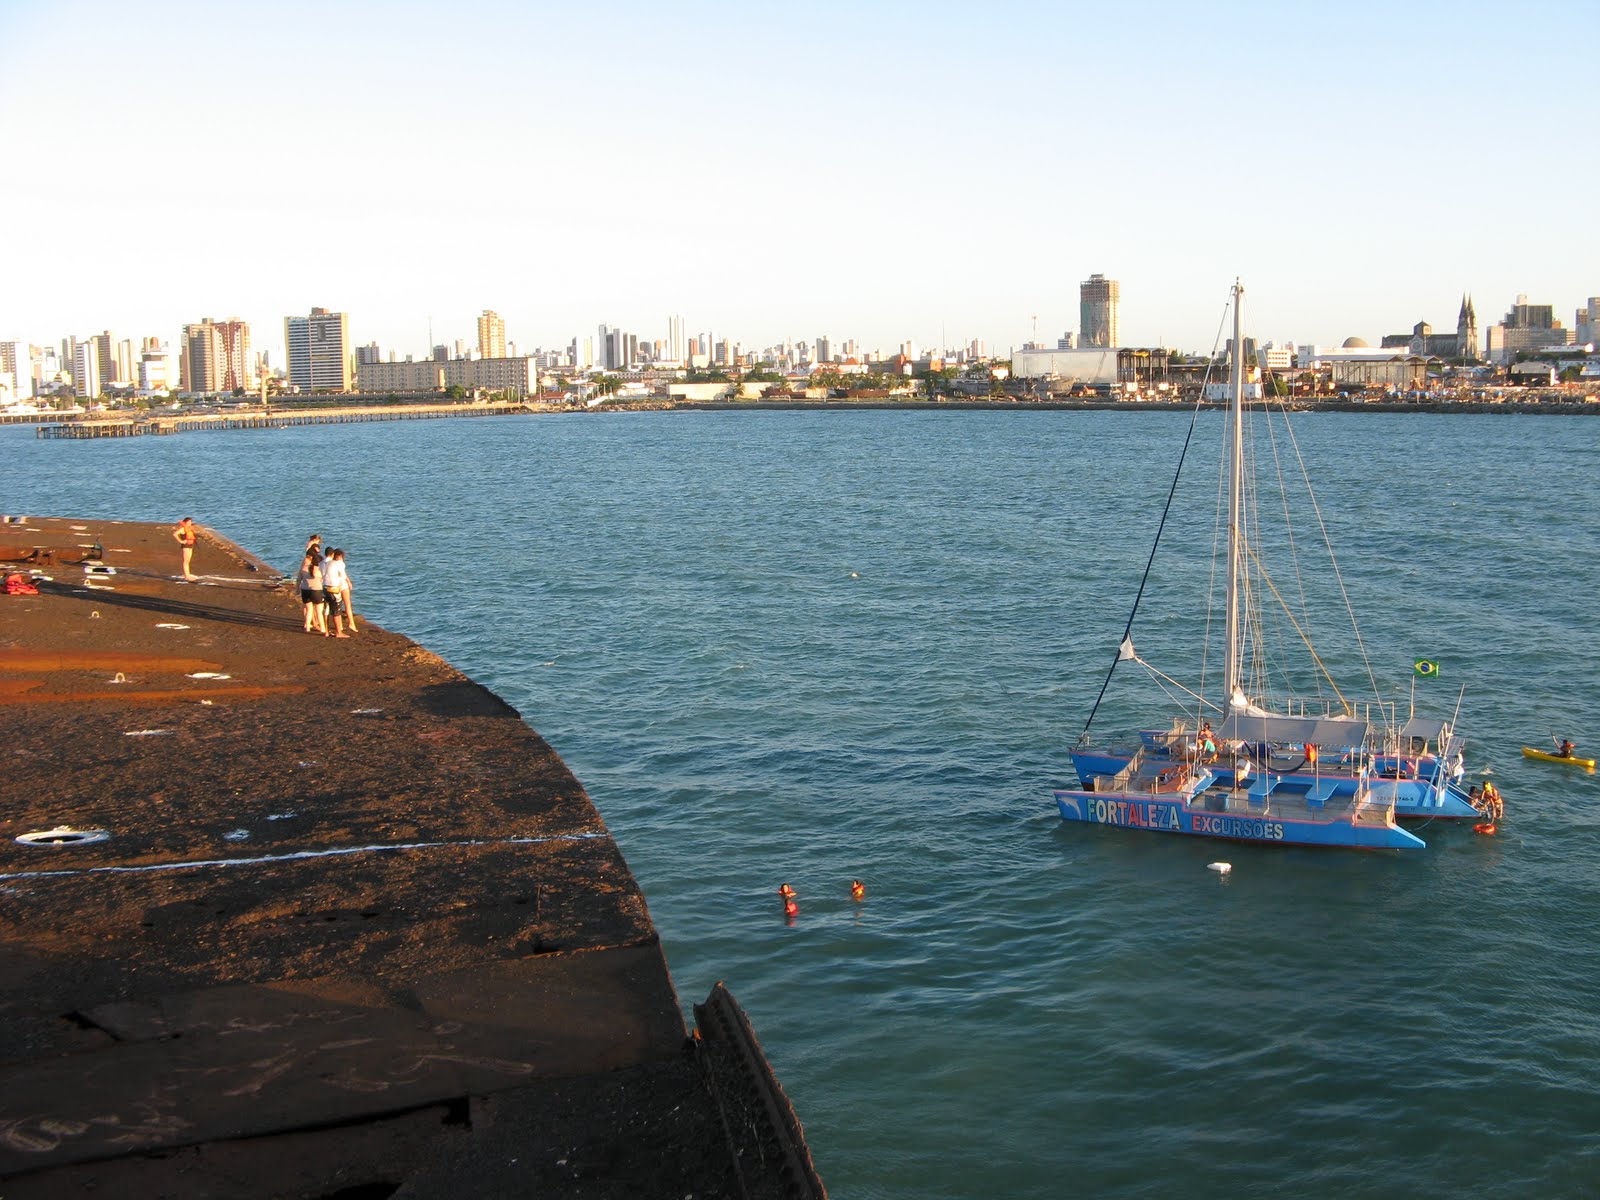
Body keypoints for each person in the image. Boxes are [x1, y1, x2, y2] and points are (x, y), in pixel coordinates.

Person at [296, 548, 328, 635]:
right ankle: (322, 628)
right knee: (319, 612)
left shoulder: (304, 568)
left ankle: (307, 627)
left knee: (309, 610)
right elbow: (323, 580)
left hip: (305, 590)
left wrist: (297, 590)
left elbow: (299, 579)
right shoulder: (320, 570)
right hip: (316, 591)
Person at [321, 548, 352, 638]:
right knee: (336, 611)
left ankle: (326, 631)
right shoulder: (337, 564)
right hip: (334, 588)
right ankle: (339, 632)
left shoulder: (322, 563)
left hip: (324, 587)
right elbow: (343, 576)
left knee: (326, 610)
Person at [173, 517, 198, 581]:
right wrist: (181, 541)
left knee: (188, 561)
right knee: (186, 561)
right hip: (186, 546)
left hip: (191, 545)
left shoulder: (190, 528)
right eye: (188, 522)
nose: (190, 523)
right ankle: (187, 576)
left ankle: (187, 574)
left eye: (190, 522)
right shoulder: (183, 529)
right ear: (185, 522)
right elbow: (175, 534)